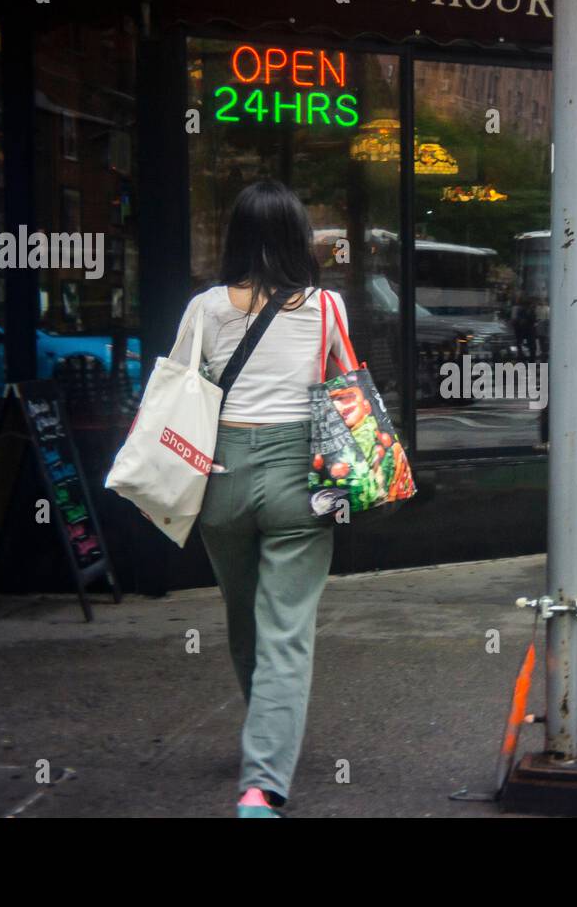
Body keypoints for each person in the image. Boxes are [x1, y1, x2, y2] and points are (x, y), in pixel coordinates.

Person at [169, 180, 355, 816]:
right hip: (299, 478)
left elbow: (176, 394)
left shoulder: (205, 309)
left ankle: (265, 743)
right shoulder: (328, 308)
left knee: (244, 619)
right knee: (286, 631)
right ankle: (262, 783)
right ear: (297, 238)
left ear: (236, 236)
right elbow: (345, 388)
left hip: (221, 475)